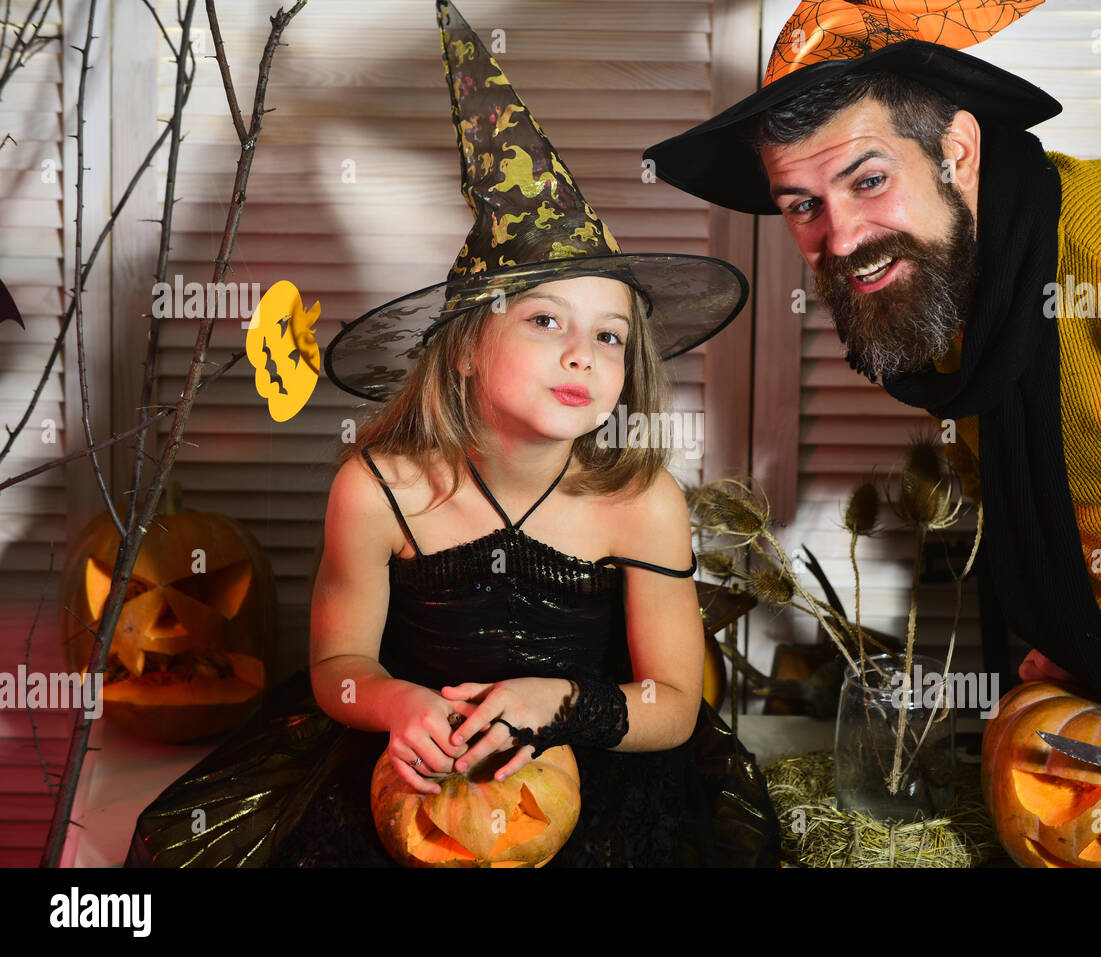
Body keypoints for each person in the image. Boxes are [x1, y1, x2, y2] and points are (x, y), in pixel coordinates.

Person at [124, 0, 779, 868]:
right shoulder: (379, 488)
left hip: (588, 753)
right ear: (466, 346)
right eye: (546, 321)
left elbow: (672, 701)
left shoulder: (638, 500)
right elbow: (339, 664)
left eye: (610, 336)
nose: (583, 353)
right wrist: (395, 703)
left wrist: (558, 701)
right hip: (416, 759)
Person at [644, 0, 1101, 865]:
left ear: (957, 147)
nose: (840, 238)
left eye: (868, 179)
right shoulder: (949, 296)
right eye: (802, 203)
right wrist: (1076, 629)